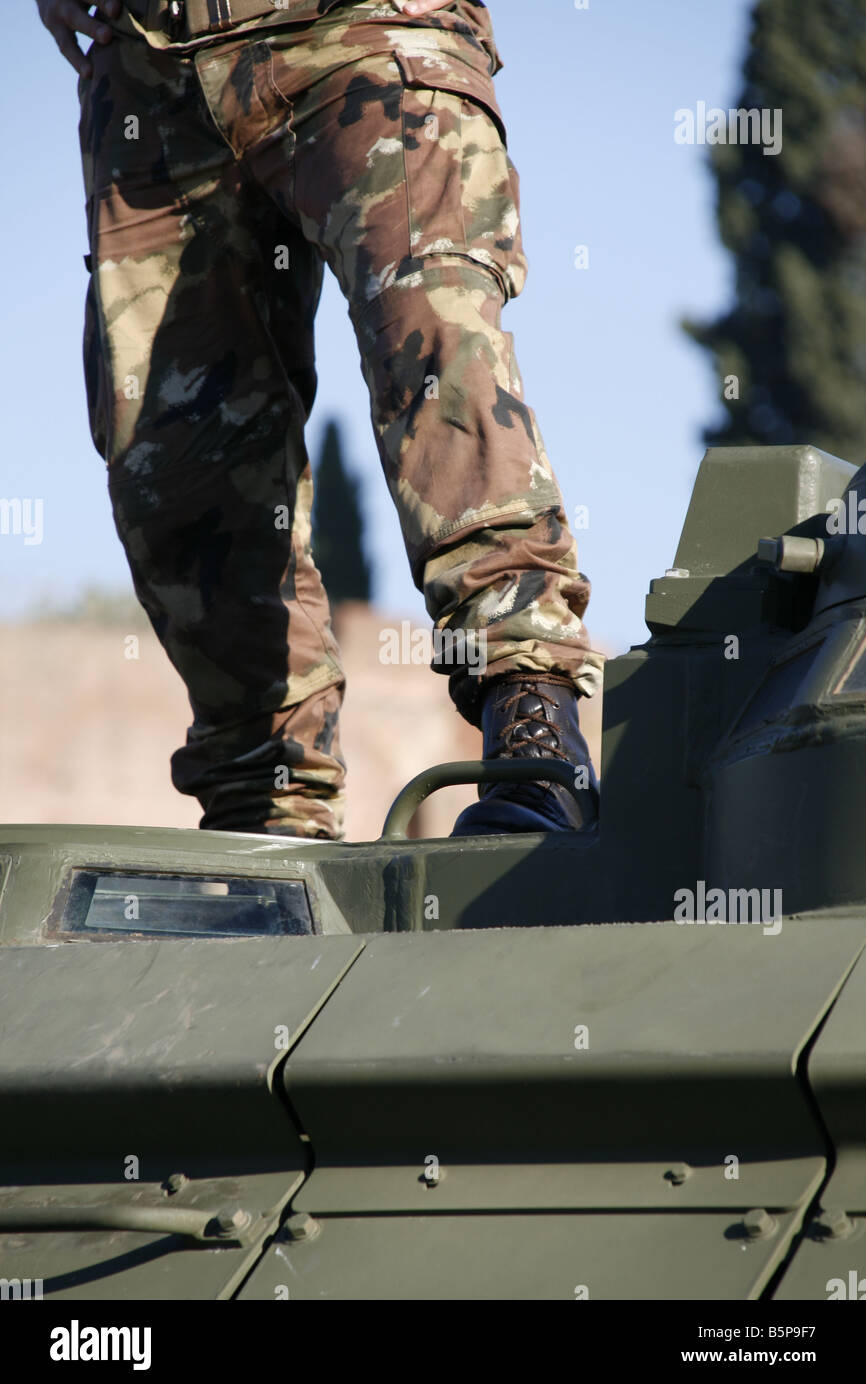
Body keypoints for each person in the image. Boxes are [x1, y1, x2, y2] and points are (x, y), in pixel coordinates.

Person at [38, 0, 604, 839]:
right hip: (152, 67)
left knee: (432, 337)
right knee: (174, 458)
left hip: (363, 26)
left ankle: (534, 728)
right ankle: (265, 812)